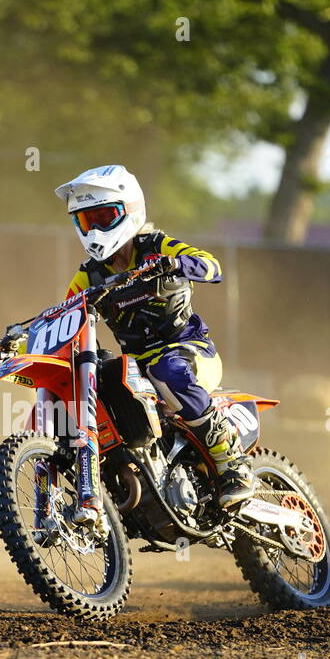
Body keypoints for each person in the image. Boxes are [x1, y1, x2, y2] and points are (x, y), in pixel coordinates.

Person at [55, 164, 254, 509]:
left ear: (130, 211)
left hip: (189, 351)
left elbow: (212, 267)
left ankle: (232, 465)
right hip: (136, 367)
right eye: (87, 221)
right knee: (94, 377)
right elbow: (64, 315)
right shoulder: (90, 275)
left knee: (168, 369)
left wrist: (176, 264)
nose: (95, 229)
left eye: (104, 217)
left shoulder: (155, 245)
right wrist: (22, 340)